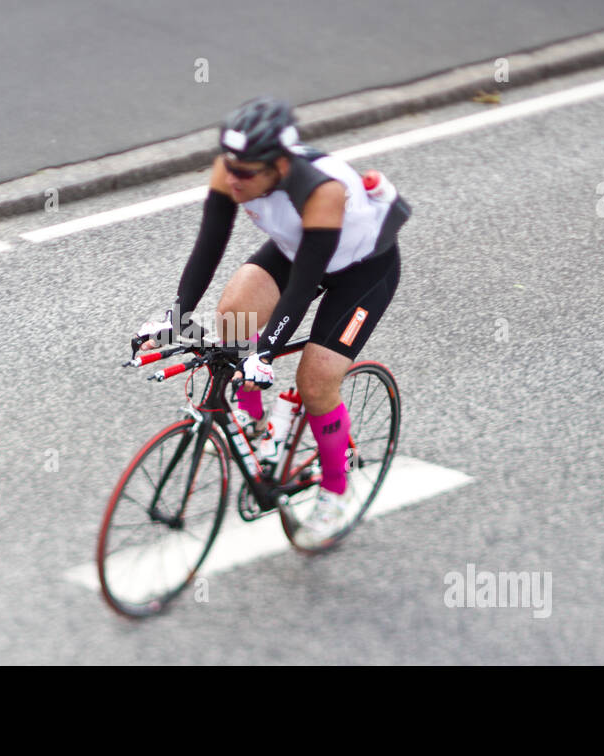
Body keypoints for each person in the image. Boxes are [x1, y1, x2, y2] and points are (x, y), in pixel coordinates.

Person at [136, 95, 409, 542]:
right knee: (232, 317)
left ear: (279, 165)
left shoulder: (322, 190)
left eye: (246, 172)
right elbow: (210, 243)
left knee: (317, 379)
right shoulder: (232, 170)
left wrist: (263, 354)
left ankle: (336, 489)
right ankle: (255, 422)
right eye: (229, 165)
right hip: (293, 252)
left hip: (362, 271)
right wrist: (177, 315)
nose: (233, 178)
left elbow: (304, 285)